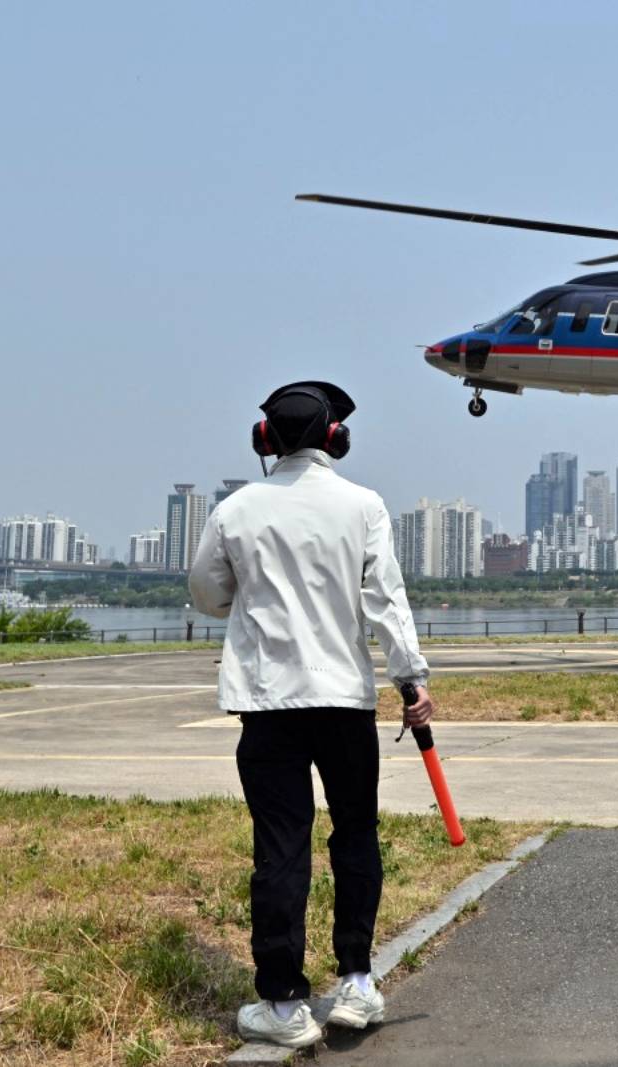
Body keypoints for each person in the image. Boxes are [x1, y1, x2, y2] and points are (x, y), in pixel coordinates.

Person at [189, 381, 435, 1049]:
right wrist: (411, 681)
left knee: (280, 846)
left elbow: (208, 593)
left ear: (265, 440)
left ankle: (284, 1001)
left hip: (268, 703)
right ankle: (356, 981)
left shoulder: (235, 510)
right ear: (336, 440)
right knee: (355, 835)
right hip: (345, 702)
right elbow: (387, 599)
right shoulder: (364, 506)